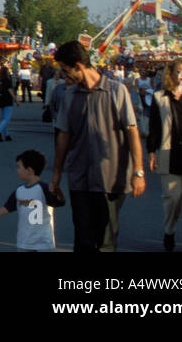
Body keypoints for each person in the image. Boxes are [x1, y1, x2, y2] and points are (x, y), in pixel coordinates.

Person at [49, 41, 146, 252]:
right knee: (83, 238)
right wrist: (57, 173)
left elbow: (132, 132)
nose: (64, 76)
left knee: (105, 240)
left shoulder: (115, 91)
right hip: (79, 177)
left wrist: (138, 171)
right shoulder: (70, 96)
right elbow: (63, 136)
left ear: (79, 66)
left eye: (66, 71)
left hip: (110, 179)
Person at [147, 59, 182, 251]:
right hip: (169, 153)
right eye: (178, 71)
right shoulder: (160, 97)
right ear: (170, 74)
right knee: (173, 199)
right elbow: (154, 127)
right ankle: (169, 231)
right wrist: (151, 151)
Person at [0, 149, 59, 251]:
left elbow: (58, 202)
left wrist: (57, 191)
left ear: (29, 170)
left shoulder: (44, 189)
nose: (17, 170)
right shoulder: (19, 191)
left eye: (19, 167)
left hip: (43, 243)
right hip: (24, 242)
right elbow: (8, 206)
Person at [0, 64, 15, 141]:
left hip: (0, 99)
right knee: (7, 118)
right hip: (7, 99)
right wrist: (16, 99)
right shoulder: (7, 80)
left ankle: (7, 135)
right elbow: (10, 90)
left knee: (4, 118)